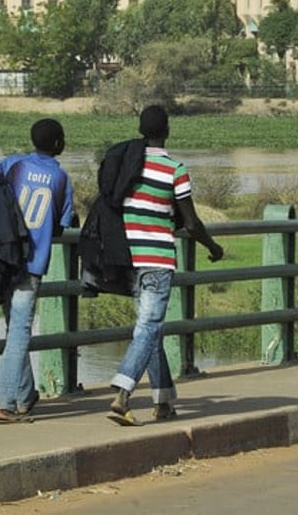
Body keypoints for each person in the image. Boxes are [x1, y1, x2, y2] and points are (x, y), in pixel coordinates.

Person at [109, 105, 224, 425]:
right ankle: (122, 391)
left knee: (151, 329)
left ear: (140, 129)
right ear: (167, 130)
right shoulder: (174, 169)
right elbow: (191, 222)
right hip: (158, 260)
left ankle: (163, 401)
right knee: (148, 328)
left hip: (130, 257)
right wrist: (213, 247)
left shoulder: (128, 166)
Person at [0, 118, 75, 424]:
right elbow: (61, 227)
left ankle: (25, 395)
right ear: (57, 144)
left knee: (15, 330)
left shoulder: (13, 164)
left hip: (2, 259)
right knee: (20, 332)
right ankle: (4, 403)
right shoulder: (61, 178)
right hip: (31, 265)